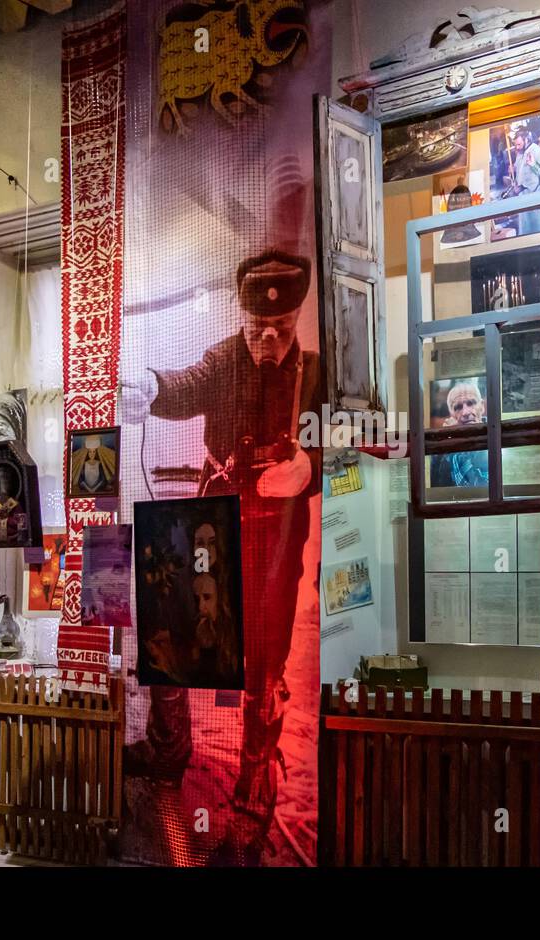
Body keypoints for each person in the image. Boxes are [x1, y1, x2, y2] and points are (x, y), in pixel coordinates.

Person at [124, 248, 321, 865]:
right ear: (241, 316)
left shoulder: (314, 372)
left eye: (280, 328)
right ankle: (168, 751)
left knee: (264, 666)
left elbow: (344, 429)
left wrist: (310, 467)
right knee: (171, 642)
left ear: (295, 321)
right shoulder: (224, 359)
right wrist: (152, 386)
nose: (267, 338)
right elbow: (185, 387)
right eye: (256, 325)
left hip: (275, 542)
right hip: (213, 528)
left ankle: (253, 789)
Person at [430, 381, 488, 488]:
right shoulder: (441, 449)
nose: (465, 412)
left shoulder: (493, 435)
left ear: (482, 406)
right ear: (451, 414)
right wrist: (448, 438)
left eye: (471, 403)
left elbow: (479, 486)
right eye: (458, 407)